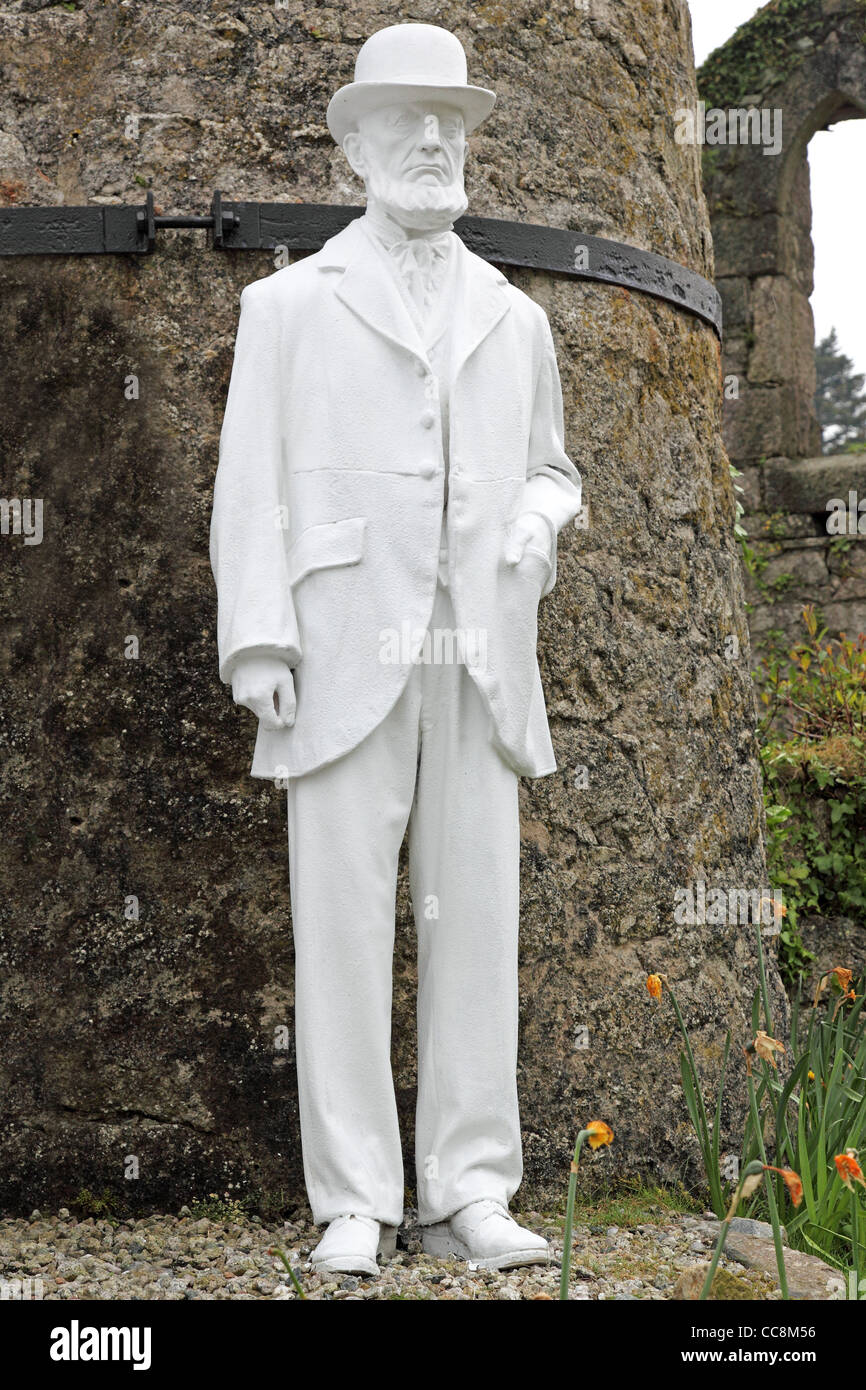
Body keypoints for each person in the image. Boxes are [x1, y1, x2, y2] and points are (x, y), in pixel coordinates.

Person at [210, 21, 582, 1277]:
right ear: (357, 144)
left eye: (452, 122)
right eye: (407, 121)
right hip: (335, 645)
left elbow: (551, 470)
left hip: (477, 651)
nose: (434, 141)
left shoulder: (513, 319)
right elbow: (245, 479)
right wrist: (255, 633)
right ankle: (355, 1194)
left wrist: (537, 516)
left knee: (477, 918)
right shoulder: (287, 307)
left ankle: (472, 1187)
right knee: (342, 921)